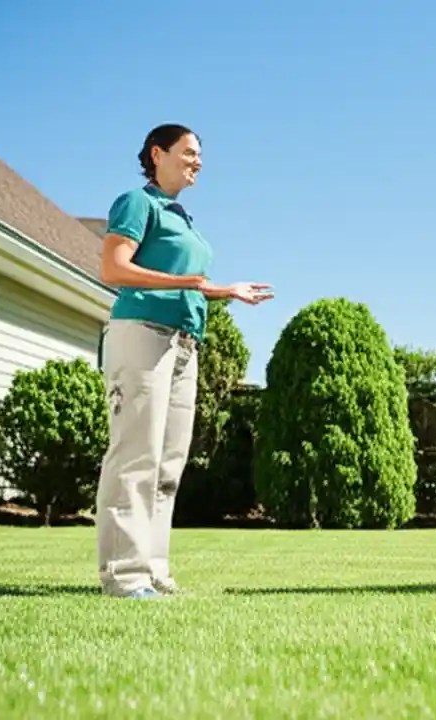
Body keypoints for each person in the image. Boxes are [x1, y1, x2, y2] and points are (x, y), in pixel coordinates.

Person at [95, 123, 272, 599]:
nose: (198, 161)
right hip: (141, 335)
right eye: (189, 152)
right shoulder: (139, 203)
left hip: (183, 343)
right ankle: (123, 575)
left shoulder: (184, 218)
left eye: (200, 155)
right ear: (158, 153)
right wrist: (194, 284)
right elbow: (114, 268)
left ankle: (152, 569)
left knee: (168, 465)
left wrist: (219, 291)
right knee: (136, 456)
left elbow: (191, 283)